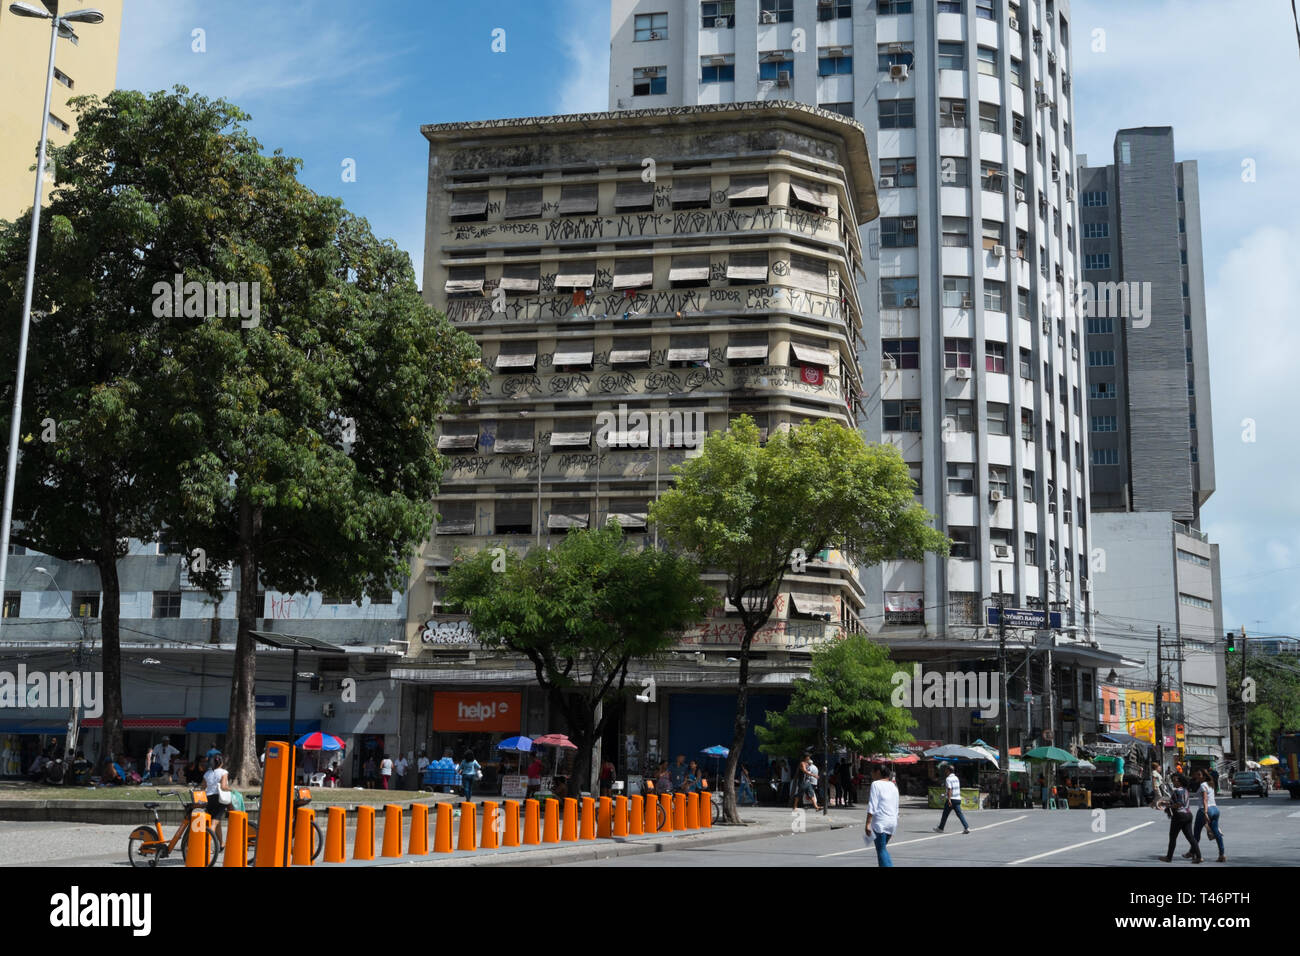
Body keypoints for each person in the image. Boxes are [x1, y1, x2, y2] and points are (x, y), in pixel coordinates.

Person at [1158, 772, 1201, 863]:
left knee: (1173, 837)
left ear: (1180, 781)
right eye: (1172, 780)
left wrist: (1168, 806)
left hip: (1179, 816)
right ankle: (1199, 857)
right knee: (1191, 837)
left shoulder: (1178, 791)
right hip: (1188, 815)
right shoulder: (1185, 790)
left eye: (1175, 780)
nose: (1173, 782)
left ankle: (1168, 858)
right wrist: (1166, 803)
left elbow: (1179, 804)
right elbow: (1177, 802)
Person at [865, 763, 900, 867]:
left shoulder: (876, 784)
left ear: (878, 772)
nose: (871, 773)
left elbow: (872, 804)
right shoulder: (893, 785)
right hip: (892, 822)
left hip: (880, 822)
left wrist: (868, 823)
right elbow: (896, 806)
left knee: (881, 850)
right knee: (882, 849)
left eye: (873, 771)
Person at [1190, 768, 1225, 863]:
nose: (1196, 776)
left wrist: (1205, 812)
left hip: (1205, 810)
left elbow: (1205, 799)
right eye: (1196, 774)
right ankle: (1222, 855)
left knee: (1196, 834)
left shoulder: (1203, 785)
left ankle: (1195, 855)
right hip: (1215, 809)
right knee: (1216, 833)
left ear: (1204, 777)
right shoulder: (1211, 784)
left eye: (1198, 775)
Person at [934, 763, 970, 834]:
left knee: (945, 815)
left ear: (948, 771)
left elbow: (950, 789)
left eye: (946, 770)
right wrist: (945, 795)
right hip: (957, 799)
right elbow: (953, 789)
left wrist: (949, 799)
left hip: (951, 799)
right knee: (959, 814)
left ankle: (941, 828)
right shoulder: (956, 778)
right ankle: (966, 827)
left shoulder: (948, 779)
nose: (945, 772)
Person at [203, 753, 232, 843]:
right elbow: (223, 786)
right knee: (214, 823)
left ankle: (221, 843)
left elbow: (203, 787)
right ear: (221, 762)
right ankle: (206, 845)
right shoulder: (224, 772)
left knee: (216, 821)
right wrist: (231, 789)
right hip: (219, 799)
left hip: (208, 798)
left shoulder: (207, 773)